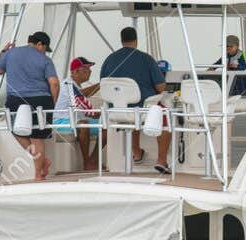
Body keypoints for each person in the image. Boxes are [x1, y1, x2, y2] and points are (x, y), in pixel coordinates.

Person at [100, 27, 171, 173]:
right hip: (142, 110)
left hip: (115, 110)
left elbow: (103, 85)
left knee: (132, 116)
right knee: (166, 116)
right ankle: (162, 161)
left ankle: (137, 152)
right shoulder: (146, 59)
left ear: (121, 40)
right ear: (136, 40)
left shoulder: (109, 60)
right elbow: (160, 87)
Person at [0, 32, 60, 181]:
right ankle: (38, 173)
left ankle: (41, 162)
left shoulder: (10, 54)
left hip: (16, 99)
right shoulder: (45, 60)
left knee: (15, 130)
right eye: (45, 48)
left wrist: (3, 52)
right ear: (40, 44)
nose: (44, 52)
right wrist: (52, 104)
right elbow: (54, 83)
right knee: (37, 137)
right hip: (41, 100)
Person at [53, 56, 102, 171]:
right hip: (61, 122)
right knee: (84, 124)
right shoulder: (68, 85)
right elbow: (83, 101)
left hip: (73, 120)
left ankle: (93, 160)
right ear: (75, 72)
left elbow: (83, 97)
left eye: (89, 69)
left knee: (105, 127)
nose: (90, 72)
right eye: (86, 69)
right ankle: (87, 162)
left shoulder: (75, 87)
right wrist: (101, 84)